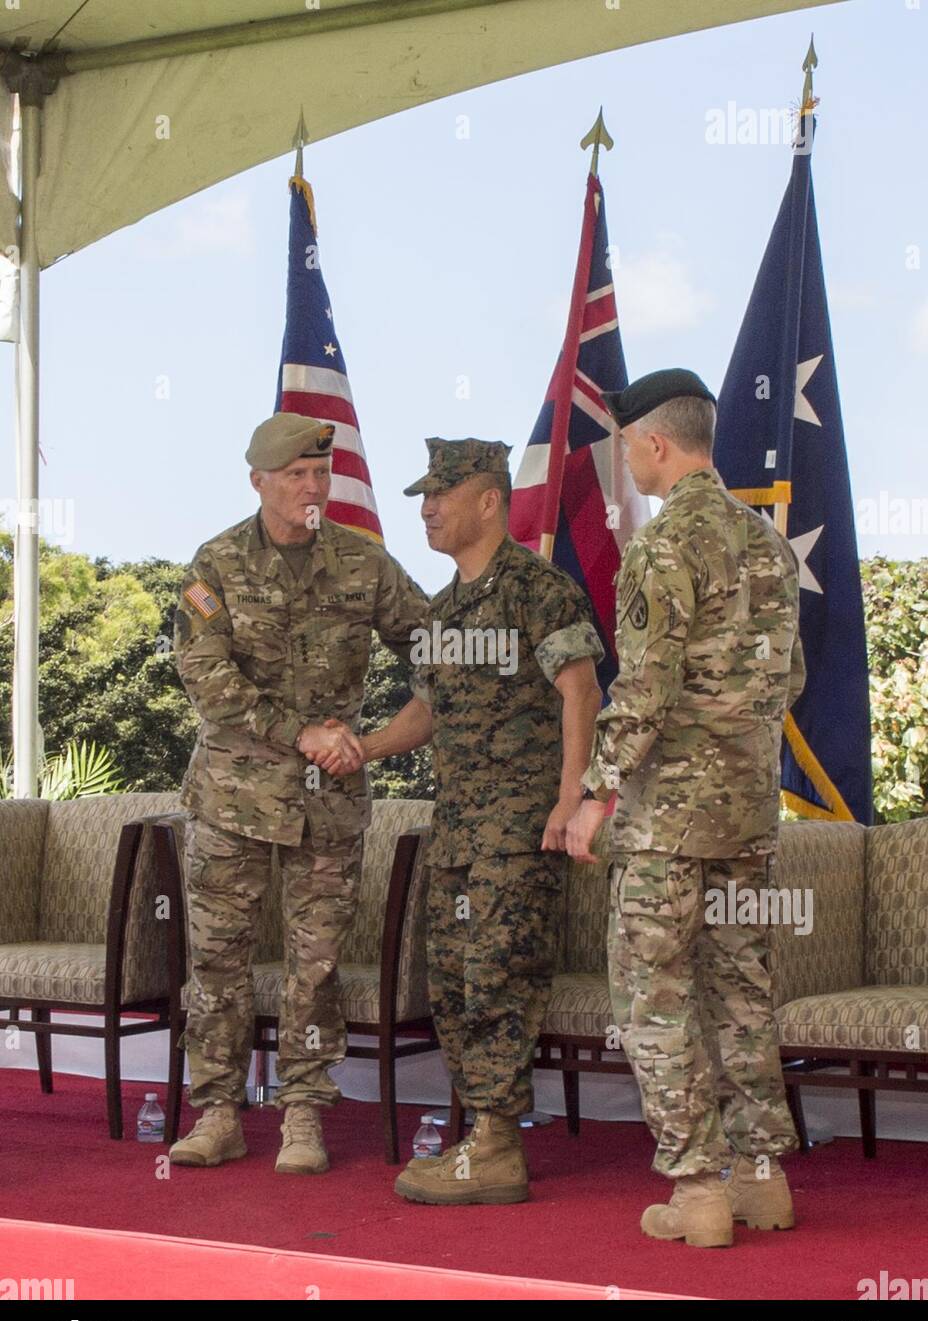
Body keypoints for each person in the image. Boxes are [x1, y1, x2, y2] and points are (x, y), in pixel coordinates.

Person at [327, 436, 604, 1204]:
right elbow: (428, 710)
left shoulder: (537, 590)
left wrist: (570, 795)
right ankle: (484, 1139)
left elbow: (581, 691)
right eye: (421, 497)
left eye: (441, 495)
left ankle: (496, 1146)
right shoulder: (443, 610)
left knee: (498, 980)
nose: (426, 510)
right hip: (457, 833)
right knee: (451, 982)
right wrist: (366, 747)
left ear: (490, 501)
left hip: (520, 832)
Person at [566, 368, 806, 1249]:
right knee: (742, 992)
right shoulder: (766, 542)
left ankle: (698, 1188)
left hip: (667, 819)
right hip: (746, 813)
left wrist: (595, 795)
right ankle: (763, 1179)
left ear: (655, 444)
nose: (627, 459)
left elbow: (647, 687)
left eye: (628, 444)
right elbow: (792, 678)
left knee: (653, 999)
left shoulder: (665, 547)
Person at [169, 412, 429, 1175]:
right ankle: (217, 1111)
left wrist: (375, 740)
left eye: (322, 474)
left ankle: (304, 1112)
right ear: (259, 482)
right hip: (232, 802)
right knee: (218, 962)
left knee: (314, 967)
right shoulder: (212, 565)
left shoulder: (363, 564)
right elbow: (209, 682)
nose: (313, 487)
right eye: (296, 476)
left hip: (329, 804)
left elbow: (433, 646)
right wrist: (300, 732)